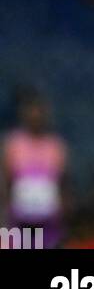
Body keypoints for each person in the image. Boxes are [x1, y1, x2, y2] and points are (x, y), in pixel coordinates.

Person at [1, 92, 69, 248]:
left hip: (49, 218)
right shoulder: (13, 144)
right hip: (19, 217)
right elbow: (6, 181)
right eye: (31, 111)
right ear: (23, 114)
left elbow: (63, 182)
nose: (35, 116)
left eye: (39, 111)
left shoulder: (55, 145)